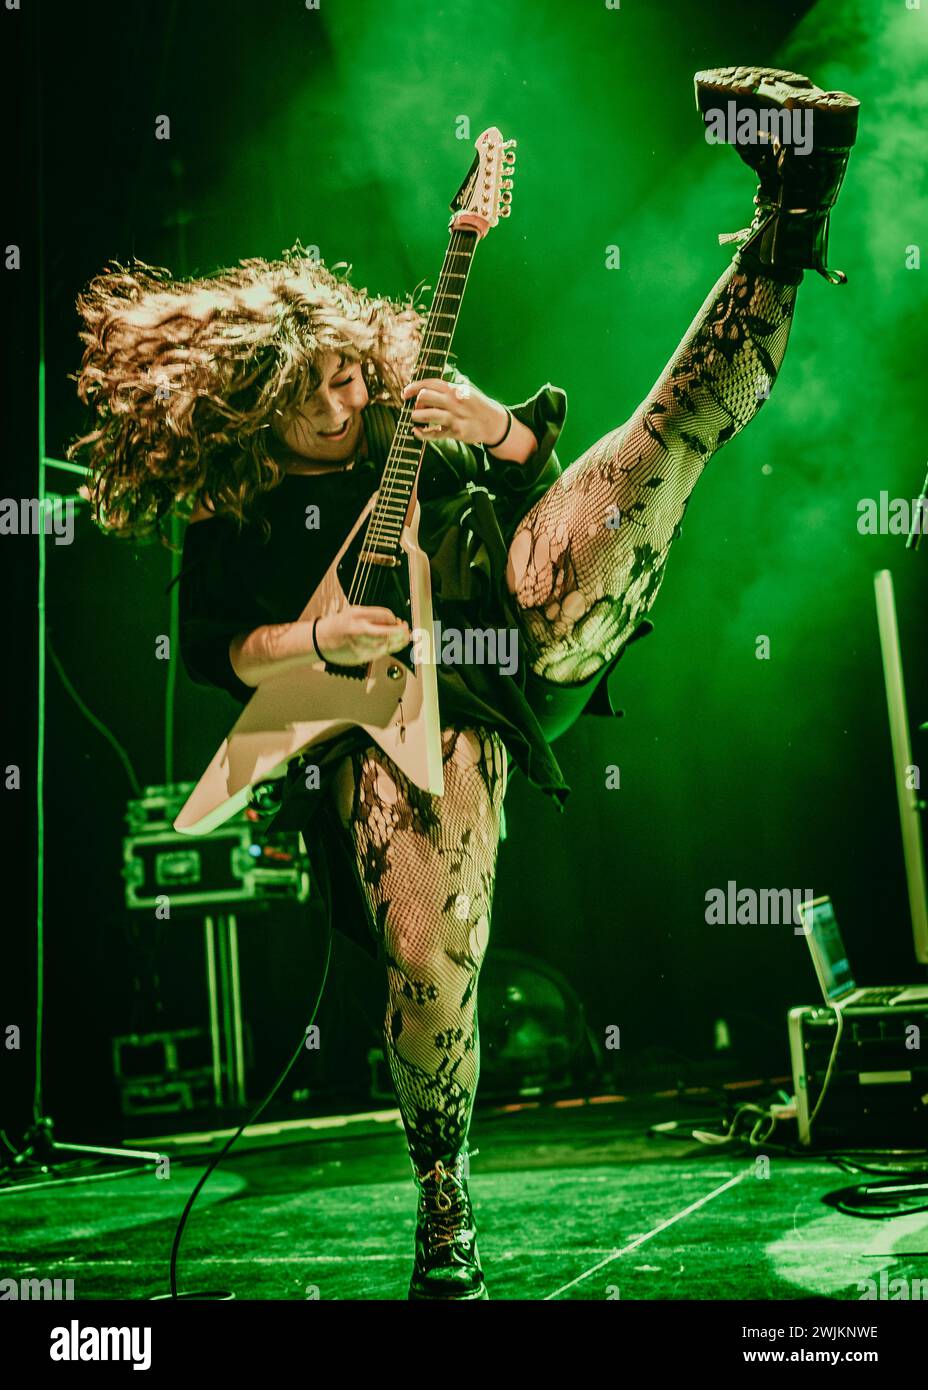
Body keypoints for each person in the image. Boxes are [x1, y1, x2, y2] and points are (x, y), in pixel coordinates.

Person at [69, 66, 859, 1301]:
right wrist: (322, 646)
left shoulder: (402, 397)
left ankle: (790, 209)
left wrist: (494, 426)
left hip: (503, 616)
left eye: (343, 369)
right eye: (312, 393)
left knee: (657, 447)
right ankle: (444, 1197)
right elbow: (229, 651)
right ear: (246, 409)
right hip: (374, 713)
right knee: (433, 953)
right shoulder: (232, 510)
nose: (344, 395)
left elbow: (535, 450)